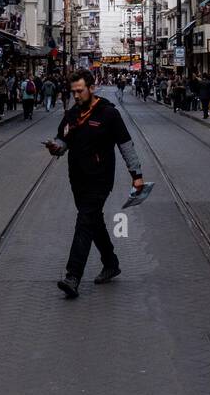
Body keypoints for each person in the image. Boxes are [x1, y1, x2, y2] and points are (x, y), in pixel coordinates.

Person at [46, 70, 145, 299]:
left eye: (80, 91)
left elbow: (126, 145)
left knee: (84, 221)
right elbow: (63, 139)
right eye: (74, 92)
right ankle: (111, 262)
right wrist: (56, 147)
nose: (76, 95)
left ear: (92, 87)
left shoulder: (108, 114)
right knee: (93, 220)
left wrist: (136, 175)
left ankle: (73, 276)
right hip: (77, 178)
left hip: (100, 179)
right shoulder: (72, 114)